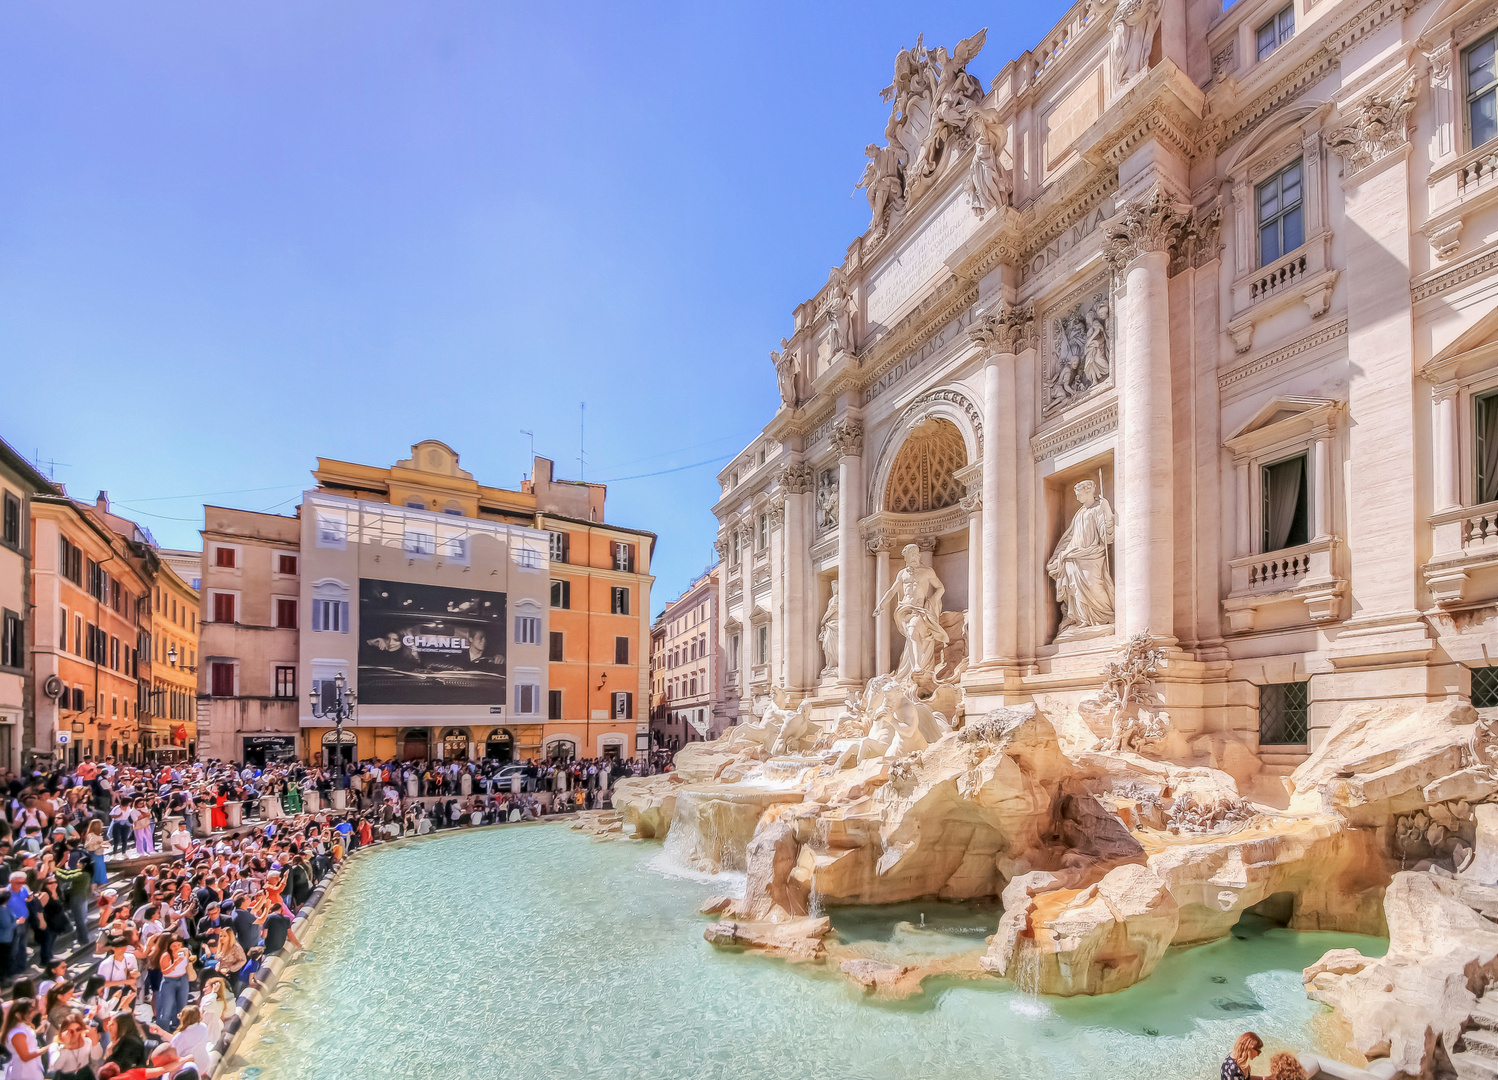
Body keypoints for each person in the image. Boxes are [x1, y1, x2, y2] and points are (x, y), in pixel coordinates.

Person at [50, 1013, 104, 1080]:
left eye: (78, 1029)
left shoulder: (87, 1042)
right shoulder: (57, 1046)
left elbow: (97, 1056)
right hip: (65, 1077)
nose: (75, 1034)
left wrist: (95, 1040)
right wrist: (66, 1047)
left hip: (85, 1075)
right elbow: (57, 1066)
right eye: (71, 1031)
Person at [2, 998, 44, 1080]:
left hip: (30, 1069)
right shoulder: (18, 1033)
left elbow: (28, 1039)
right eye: (29, 1012)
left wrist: (41, 1027)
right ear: (18, 1015)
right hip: (23, 1073)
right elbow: (25, 1057)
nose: (33, 1013)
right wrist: (48, 1047)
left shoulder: (22, 1027)